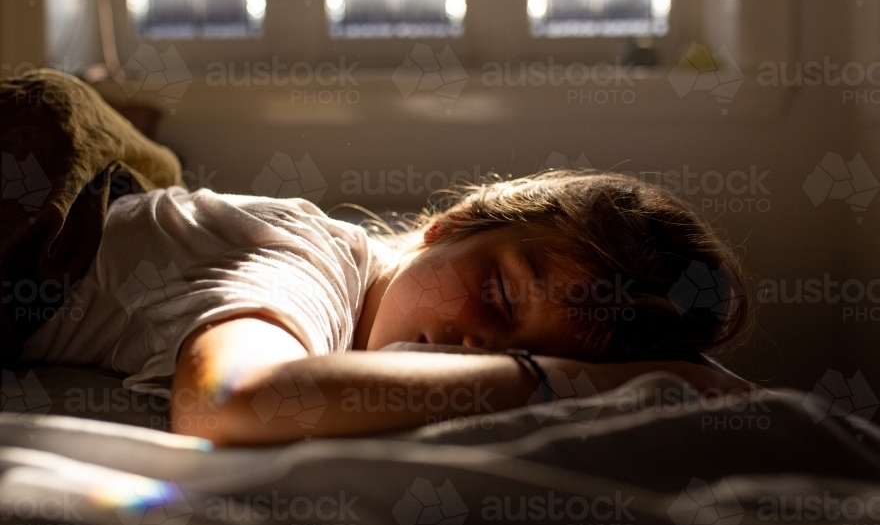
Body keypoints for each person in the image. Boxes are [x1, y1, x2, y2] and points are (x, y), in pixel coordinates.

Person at [19, 170, 754, 445]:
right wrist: (564, 379)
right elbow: (230, 400)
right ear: (454, 221)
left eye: (525, 350)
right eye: (498, 292)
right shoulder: (303, 256)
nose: (472, 346)